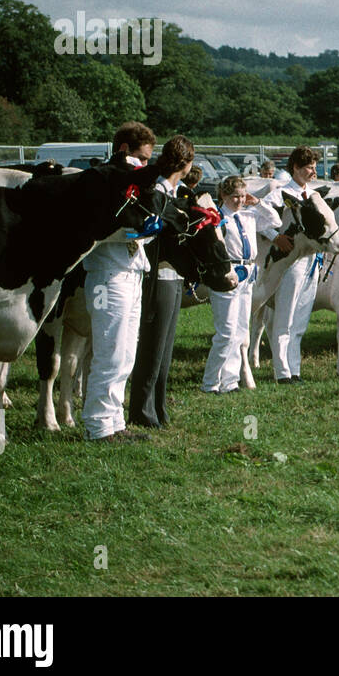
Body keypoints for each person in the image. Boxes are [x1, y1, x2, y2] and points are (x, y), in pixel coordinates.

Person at [82, 122, 158, 442]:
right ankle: (97, 425)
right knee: (109, 351)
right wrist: (135, 231)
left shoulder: (135, 185)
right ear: (124, 150)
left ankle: (114, 421)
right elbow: (96, 228)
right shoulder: (104, 181)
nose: (143, 165)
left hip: (131, 272)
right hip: (106, 276)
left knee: (126, 353)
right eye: (140, 158)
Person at [129, 135, 197, 428]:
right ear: (184, 163)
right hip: (157, 273)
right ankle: (142, 410)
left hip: (174, 273)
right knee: (153, 347)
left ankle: (158, 405)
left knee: (166, 349)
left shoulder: (177, 191)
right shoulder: (157, 191)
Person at [202, 175, 278, 394]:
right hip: (227, 271)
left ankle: (230, 380)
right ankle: (210, 382)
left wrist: (258, 202)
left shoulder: (248, 215)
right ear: (224, 195)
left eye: (243, 196)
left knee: (241, 329)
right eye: (235, 196)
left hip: (248, 272)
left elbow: (275, 221)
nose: (240, 201)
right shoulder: (217, 218)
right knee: (226, 331)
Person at [262, 146, 321, 383]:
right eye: (308, 167)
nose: (313, 172)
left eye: (315, 167)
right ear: (295, 168)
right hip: (291, 262)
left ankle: (294, 370)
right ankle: (282, 372)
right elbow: (259, 215)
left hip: (312, 260)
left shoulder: (315, 195)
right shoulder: (281, 194)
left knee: (301, 318)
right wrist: (274, 236)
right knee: (284, 317)